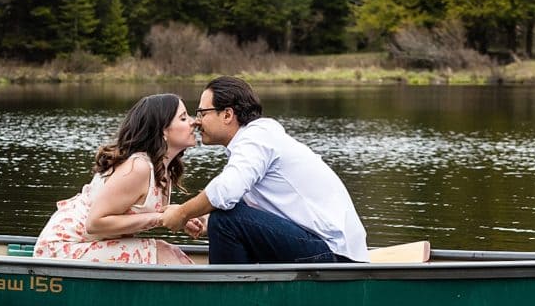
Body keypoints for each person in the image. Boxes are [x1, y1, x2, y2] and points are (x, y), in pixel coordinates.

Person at [161, 76, 369, 264]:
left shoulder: (257, 138)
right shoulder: (253, 141)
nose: (197, 121)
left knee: (226, 221)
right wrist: (205, 219)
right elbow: (239, 201)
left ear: (227, 115)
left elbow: (226, 190)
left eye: (202, 113)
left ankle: (227, 299)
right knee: (223, 217)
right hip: (326, 247)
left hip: (334, 254)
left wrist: (182, 213)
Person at [34, 92, 201, 265]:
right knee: (162, 252)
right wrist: (160, 218)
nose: (193, 122)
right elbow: (95, 223)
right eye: (183, 118)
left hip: (92, 243)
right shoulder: (138, 167)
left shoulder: (161, 168)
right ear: (162, 130)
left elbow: (138, 210)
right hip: (62, 249)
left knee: (171, 251)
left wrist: (178, 215)